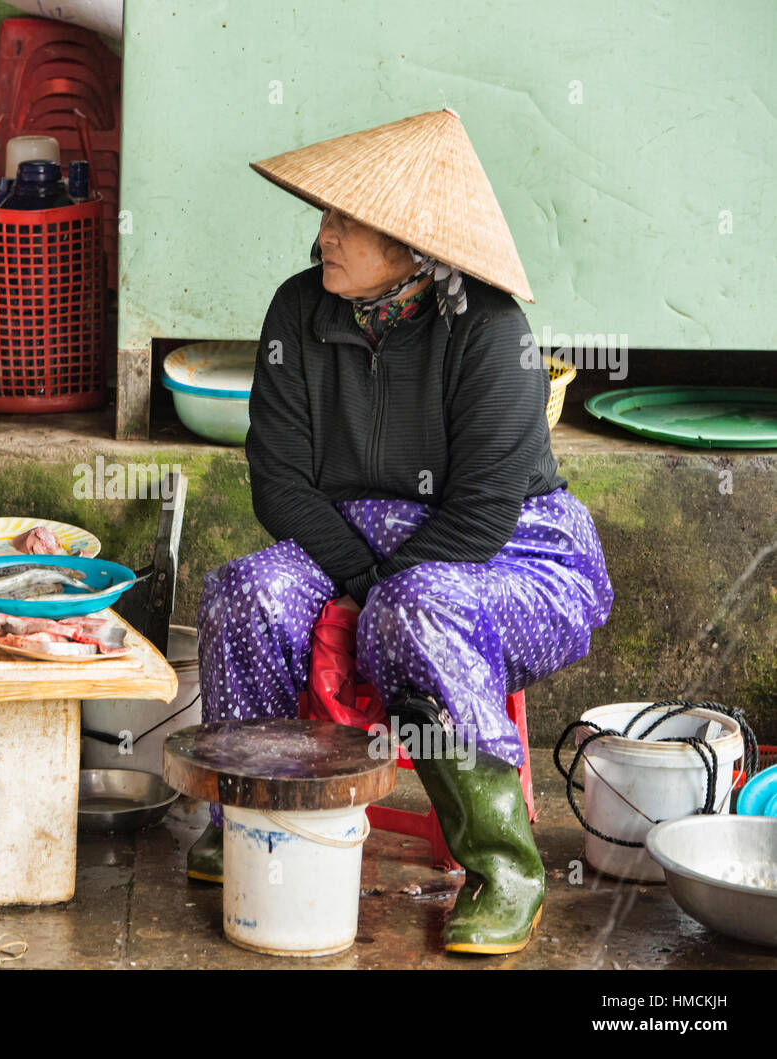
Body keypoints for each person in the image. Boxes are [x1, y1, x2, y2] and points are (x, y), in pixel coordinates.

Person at [191, 109, 614, 955]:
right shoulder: (297, 313)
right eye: (327, 214)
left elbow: (484, 510)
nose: (324, 235)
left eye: (348, 220)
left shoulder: (490, 332)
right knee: (247, 591)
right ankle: (245, 818)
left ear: (415, 246)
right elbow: (280, 483)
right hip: (354, 539)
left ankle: (504, 868)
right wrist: (363, 584)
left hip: (514, 549)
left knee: (416, 610)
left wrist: (385, 598)